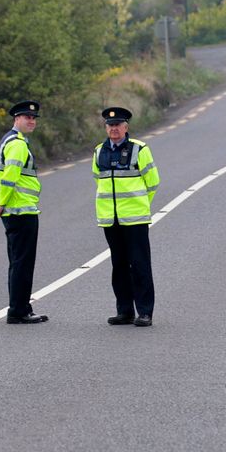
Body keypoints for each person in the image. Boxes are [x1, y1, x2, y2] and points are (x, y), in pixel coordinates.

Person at [93, 106, 160, 327]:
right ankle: (124, 311)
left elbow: (153, 182)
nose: (114, 129)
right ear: (106, 127)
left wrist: (139, 206)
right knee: (118, 265)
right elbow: (98, 180)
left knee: (140, 265)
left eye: (118, 125)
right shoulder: (98, 151)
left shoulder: (140, 149)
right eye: (110, 125)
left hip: (135, 219)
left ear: (126, 127)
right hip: (110, 220)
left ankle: (144, 312)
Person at [0, 100, 48, 324]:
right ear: (17, 119)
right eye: (27, 117)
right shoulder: (17, 144)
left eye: (34, 118)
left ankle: (21, 306)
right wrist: (1, 202)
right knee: (23, 262)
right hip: (20, 210)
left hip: (14, 210)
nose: (31, 121)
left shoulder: (9, 140)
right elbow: (10, 176)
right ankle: (19, 310)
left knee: (18, 261)